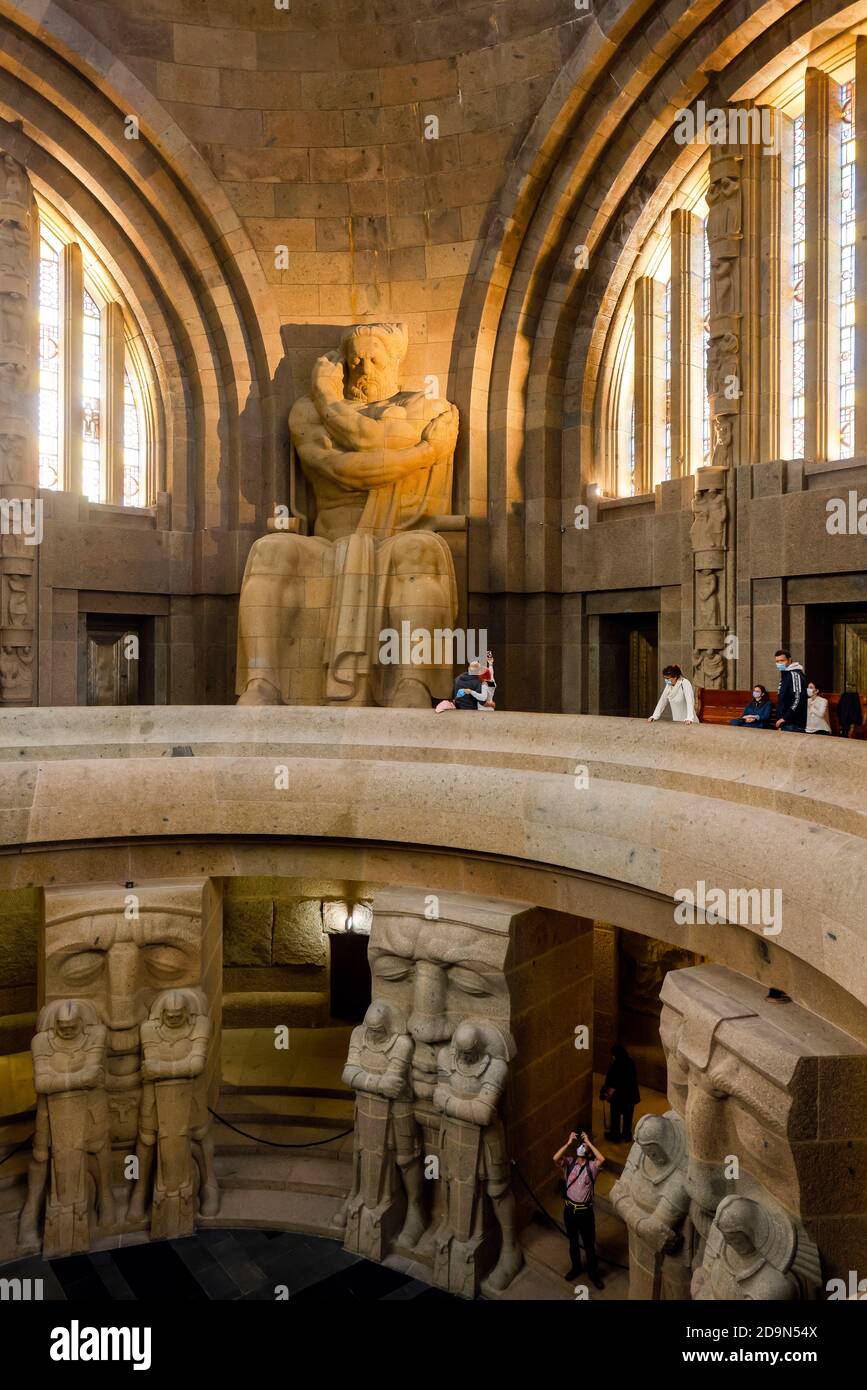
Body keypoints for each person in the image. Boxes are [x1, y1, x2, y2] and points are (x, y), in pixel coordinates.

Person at [553, 1128, 605, 1289]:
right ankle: (576, 1268)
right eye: (580, 1144)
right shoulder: (569, 1163)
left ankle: (593, 1274)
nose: (582, 1147)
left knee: (589, 1244)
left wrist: (588, 1142)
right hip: (570, 1211)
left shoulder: (592, 1167)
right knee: (573, 1243)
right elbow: (555, 1158)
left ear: (588, 1151)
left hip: (585, 1213)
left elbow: (601, 1159)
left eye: (585, 1146)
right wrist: (568, 1143)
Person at [601, 1042, 641, 1142]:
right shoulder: (630, 1062)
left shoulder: (615, 1066)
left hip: (618, 1098)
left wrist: (605, 1094)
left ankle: (615, 1135)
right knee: (628, 1117)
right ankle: (626, 1135)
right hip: (630, 1096)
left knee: (615, 1117)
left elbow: (612, 1084)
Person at [773, 649, 807, 732]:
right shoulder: (786, 675)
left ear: (789, 660)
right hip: (784, 723)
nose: (779, 664)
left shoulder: (795, 674)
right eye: (777, 661)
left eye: (782, 660)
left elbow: (798, 698)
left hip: (793, 723)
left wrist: (785, 717)